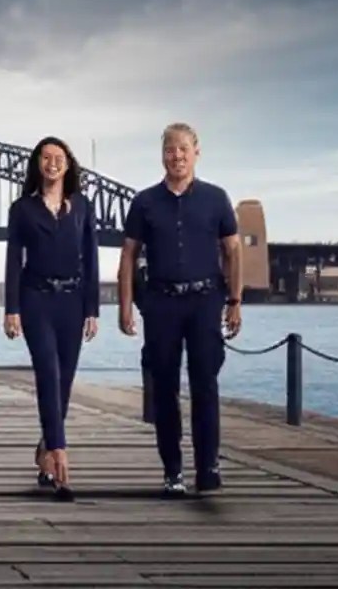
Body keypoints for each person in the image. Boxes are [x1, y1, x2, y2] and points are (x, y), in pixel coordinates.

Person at [117, 122, 243, 498]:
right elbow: (128, 256)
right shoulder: (144, 202)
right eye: (170, 150)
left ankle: (208, 466)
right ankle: (173, 471)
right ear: (162, 155)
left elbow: (234, 250)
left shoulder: (217, 198)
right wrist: (126, 307)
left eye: (183, 149)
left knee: (205, 384)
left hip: (206, 301)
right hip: (161, 303)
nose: (177, 156)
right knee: (165, 388)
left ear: (196, 152)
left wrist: (235, 301)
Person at [1, 136, 99, 501]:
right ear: (37, 164)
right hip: (36, 299)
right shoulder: (22, 209)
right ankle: (60, 459)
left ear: (68, 164)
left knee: (65, 381)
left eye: (58, 158)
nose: (52, 163)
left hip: (73, 302)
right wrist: (11, 308)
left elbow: (91, 260)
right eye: (46, 157)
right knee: (48, 374)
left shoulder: (84, 207)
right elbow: (13, 260)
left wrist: (92, 309)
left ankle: (45, 446)